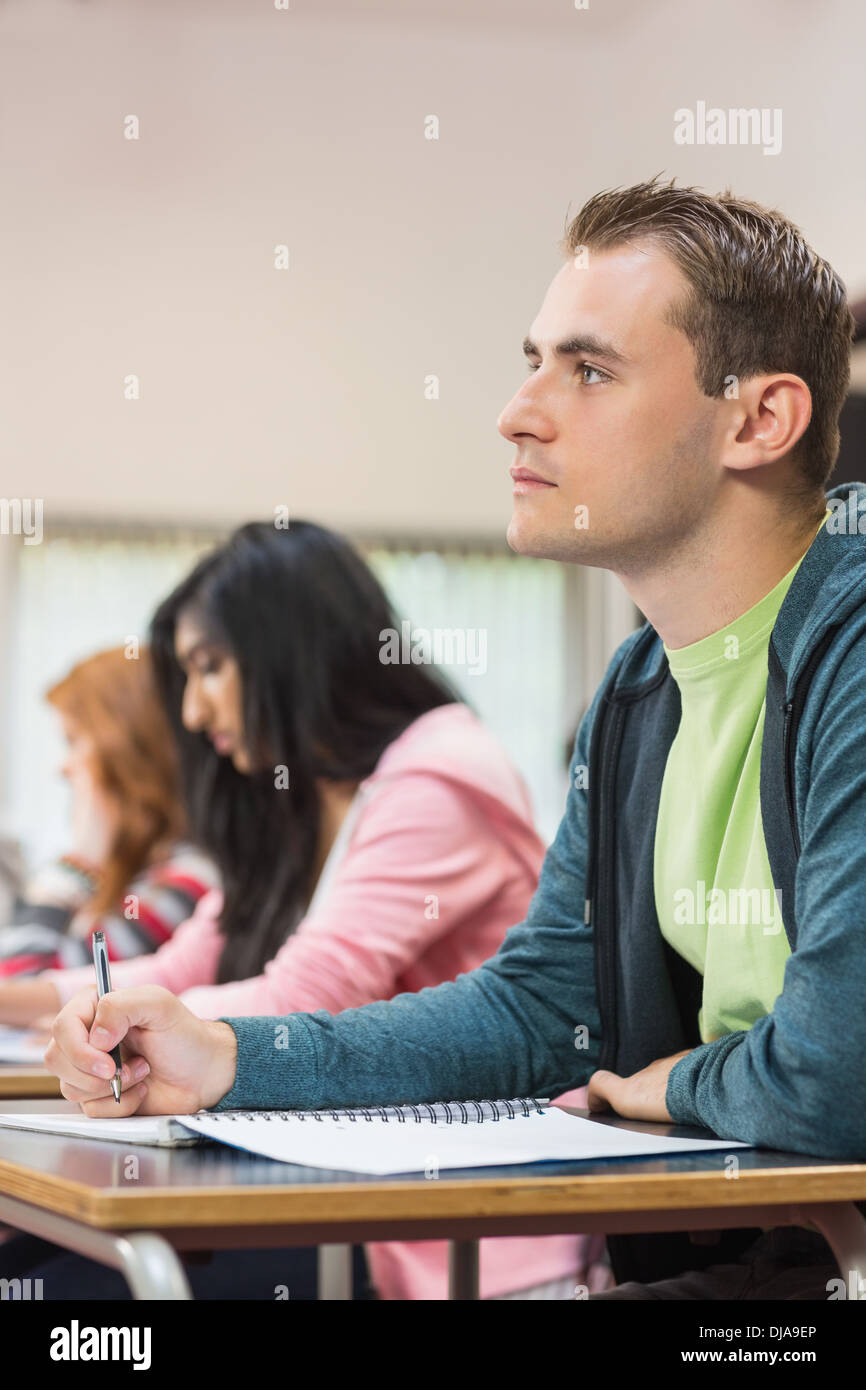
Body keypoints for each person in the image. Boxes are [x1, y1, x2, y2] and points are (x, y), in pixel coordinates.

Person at [2, 519, 601, 1299]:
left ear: (287, 650)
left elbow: (303, 997)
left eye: (209, 668)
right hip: (317, 1179)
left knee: (59, 1286)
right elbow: (185, 965)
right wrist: (51, 1003)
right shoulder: (303, 801)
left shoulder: (437, 775)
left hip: (432, 1224)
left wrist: (119, 1024)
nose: (191, 711)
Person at [0, 647, 218, 992]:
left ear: (125, 749)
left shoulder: (187, 882)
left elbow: (18, 985)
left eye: (73, 742)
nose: (63, 767)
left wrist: (79, 860)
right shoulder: (137, 874)